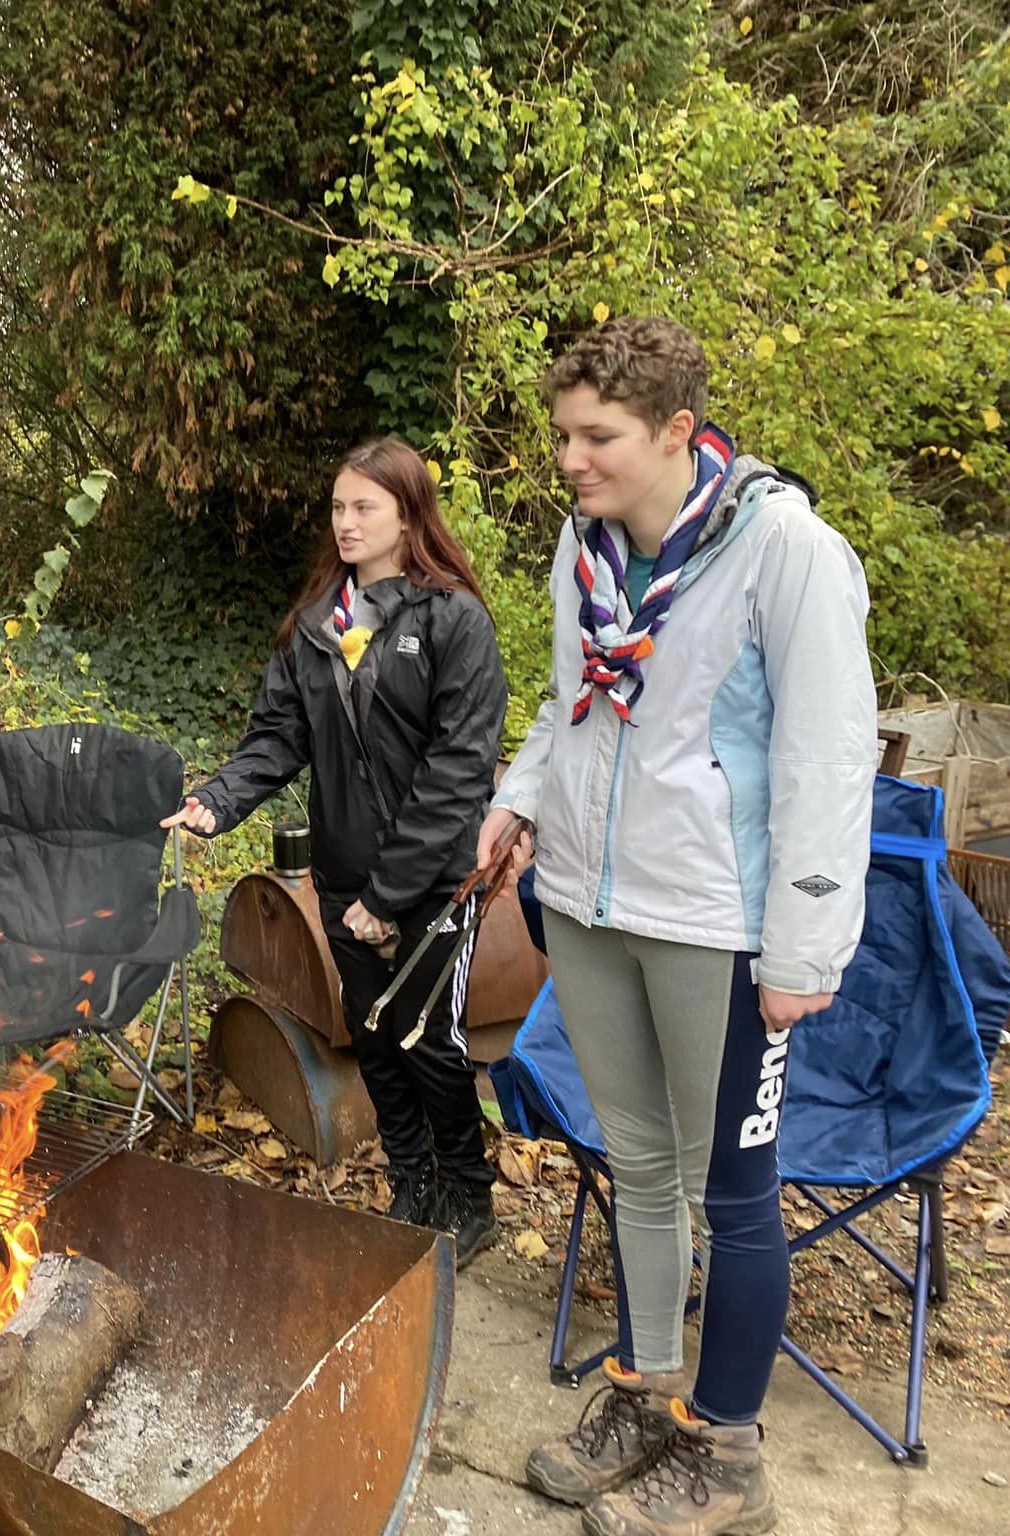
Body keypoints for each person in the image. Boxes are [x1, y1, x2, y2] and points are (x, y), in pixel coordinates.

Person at [480, 318, 876, 1536]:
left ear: (672, 432)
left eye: (595, 437)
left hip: (720, 923)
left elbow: (826, 756)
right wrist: (516, 799)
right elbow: (567, 704)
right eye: (561, 435)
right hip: (591, 903)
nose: (569, 460)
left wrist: (803, 948)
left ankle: (727, 1456)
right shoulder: (583, 546)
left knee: (733, 1194)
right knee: (637, 1164)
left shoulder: (783, 549)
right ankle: (647, 1391)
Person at [164, 435, 508, 1263]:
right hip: (344, 876)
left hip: (433, 885)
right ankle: (411, 1182)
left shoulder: (453, 620)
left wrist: (388, 897)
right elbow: (276, 737)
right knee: (375, 1042)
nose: (345, 523)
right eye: (337, 508)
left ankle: (468, 1198)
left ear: (408, 515)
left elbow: (458, 771)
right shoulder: (321, 625)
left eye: (364, 507)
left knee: (430, 1045)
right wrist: (218, 799)